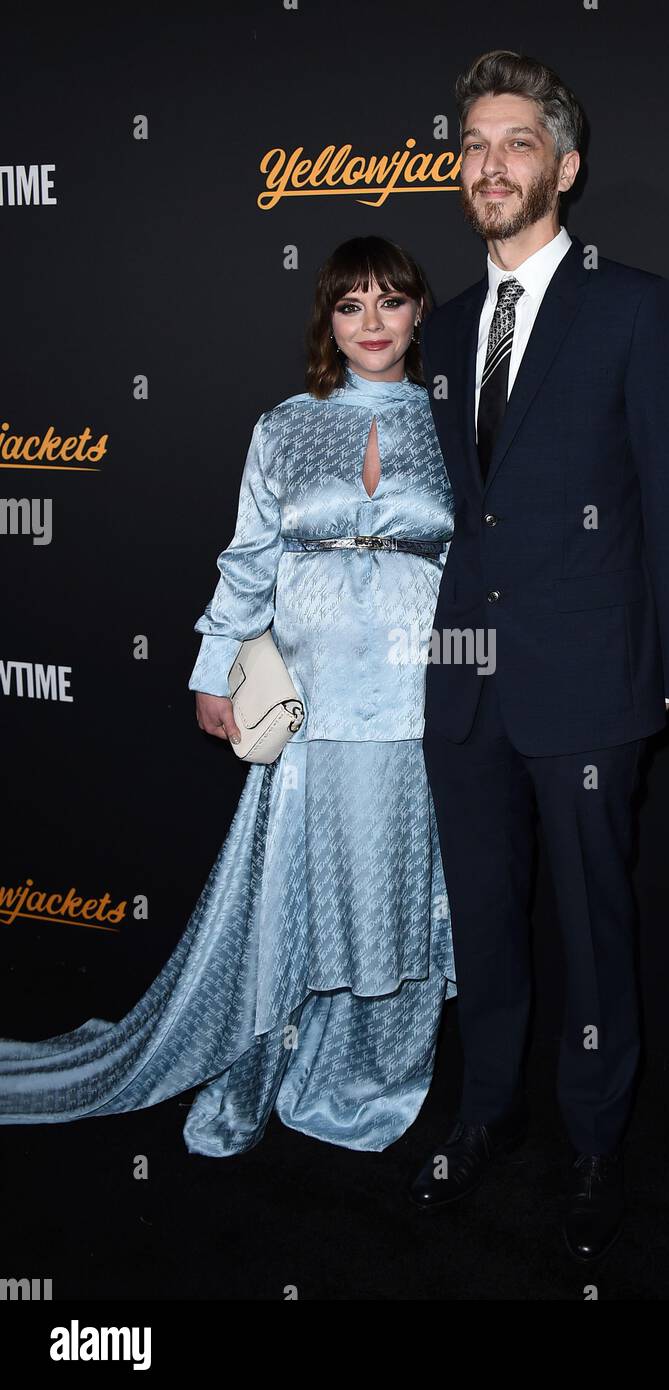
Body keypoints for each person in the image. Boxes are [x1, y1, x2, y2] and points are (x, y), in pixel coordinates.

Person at [0, 236, 456, 1157]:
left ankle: (369, 1075)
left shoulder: (463, 427)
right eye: (349, 305)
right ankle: (264, 1058)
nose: (372, 323)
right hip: (311, 695)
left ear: (419, 312)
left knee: (400, 886)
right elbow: (250, 555)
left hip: (421, 697)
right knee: (296, 886)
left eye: (391, 302)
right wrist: (215, 666)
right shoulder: (285, 424)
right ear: (327, 321)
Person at [407, 50, 669, 1261]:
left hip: (593, 683)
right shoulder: (439, 329)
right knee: (483, 921)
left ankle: (594, 1141)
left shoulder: (636, 308)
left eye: (516, 143)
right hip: (466, 681)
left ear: (565, 167)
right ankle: (486, 1113)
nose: (489, 163)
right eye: (473, 145)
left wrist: (662, 674)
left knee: (591, 930)